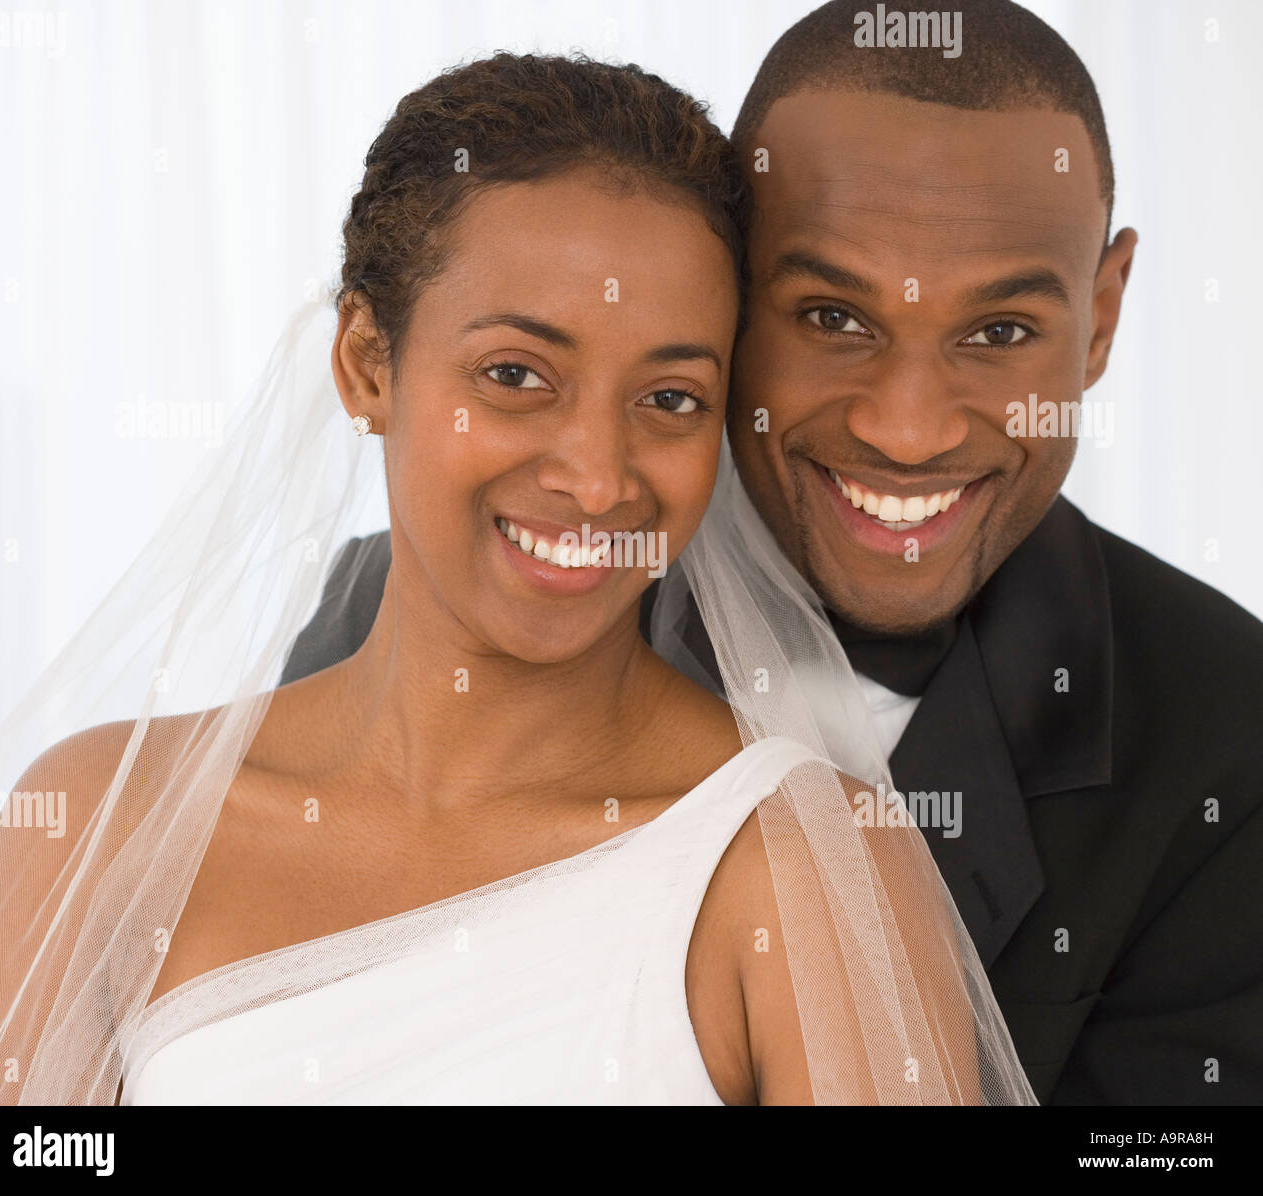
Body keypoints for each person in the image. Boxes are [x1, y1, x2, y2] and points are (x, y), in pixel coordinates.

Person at [0, 52, 1031, 1106]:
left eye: (669, 398)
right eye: (516, 376)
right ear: (366, 362)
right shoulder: (99, 828)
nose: (597, 478)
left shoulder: (804, 868)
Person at [285, 2, 1263, 1105]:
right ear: (729, 296)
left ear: (1102, 314)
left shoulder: (1229, 731)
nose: (907, 430)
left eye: (998, 333)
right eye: (832, 317)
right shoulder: (421, 603)